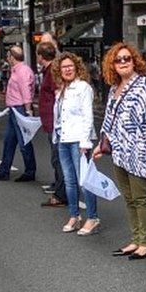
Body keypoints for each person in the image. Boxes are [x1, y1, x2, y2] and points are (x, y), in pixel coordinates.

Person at [93, 42, 146, 260]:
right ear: (112, 64)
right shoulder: (114, 88)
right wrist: (101, 145)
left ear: (134, 61)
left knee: (141, 198)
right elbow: (109, 120)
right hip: (120, 152)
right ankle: (136, 239)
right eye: (118, 59)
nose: (123, 62)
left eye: (127, 58)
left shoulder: (143, 85)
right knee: (129, 198)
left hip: (138, 151)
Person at [52, 52, 100, 236]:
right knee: (69, 181)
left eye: (70, 66)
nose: (67, 69)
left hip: (78, 141)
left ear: (77, 67)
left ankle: (93, 217)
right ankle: (74, 215)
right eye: (64, 67)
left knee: (84, 181)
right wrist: (56, 136)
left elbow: (88, 116)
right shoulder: (62, 89)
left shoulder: (83, 88)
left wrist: (85, 142)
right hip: (63, 139)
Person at [0, 46, 36, 182]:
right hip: (14, 109)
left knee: (24, 142)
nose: (7, 58)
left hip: (20, 109)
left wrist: (28, 111)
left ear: (12, 57)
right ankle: (4, 170)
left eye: (8, 56)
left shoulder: (22, 71)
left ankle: (30, 171)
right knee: (9, 141)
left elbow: (26, 92)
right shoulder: (17, 70)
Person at [36, 40, 67, 207]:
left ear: (40, 57)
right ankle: (60, 188)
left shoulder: (52, 72)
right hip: (51, 120)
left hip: (55, 122)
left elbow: (58, 95)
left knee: (58, 158)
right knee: (57, 158)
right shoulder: (49, 70)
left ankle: (62, 194)